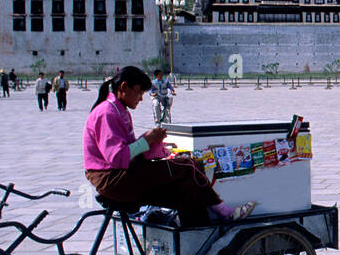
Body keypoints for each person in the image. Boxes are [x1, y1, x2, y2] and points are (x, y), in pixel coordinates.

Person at [83, 66, 255, 227]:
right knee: (188, 166)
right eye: (139, 92)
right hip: (114, 179)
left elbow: (127, 150)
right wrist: (147, 141)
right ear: (124, 87)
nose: (141, 98)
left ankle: (195, 243)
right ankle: (224, 212)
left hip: (121, 175)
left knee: (187, 188)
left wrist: (150, 143)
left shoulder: (119, 110)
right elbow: (116, 158)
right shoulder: (107, 113)